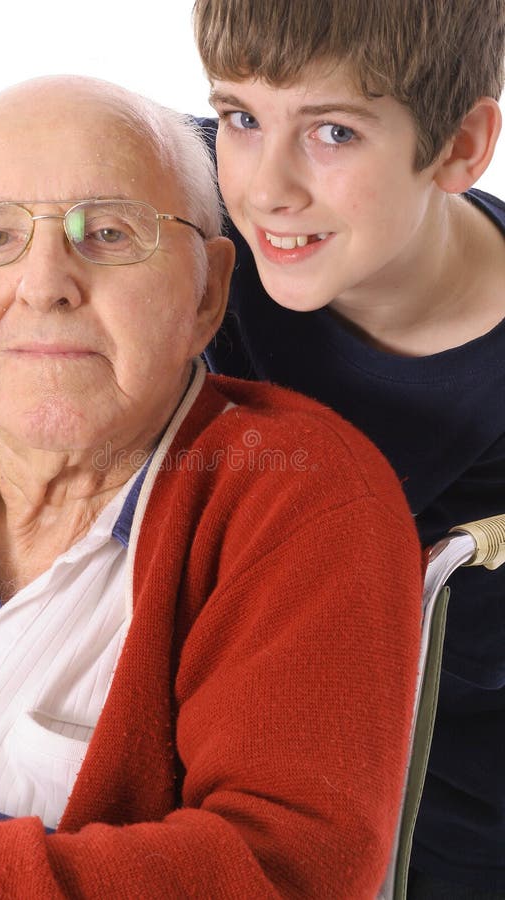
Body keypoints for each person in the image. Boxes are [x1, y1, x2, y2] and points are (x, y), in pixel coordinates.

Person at [0, 74, 420, 897]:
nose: (44, 285)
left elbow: (282, 870)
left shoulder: (298, 496)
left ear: (209, 291)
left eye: (108, 234)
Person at [191, 0, 505, 896]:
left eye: (333, 130)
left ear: (460, 147)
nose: (266, 189)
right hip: (187, 746)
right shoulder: (183, 195)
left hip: (441, 824)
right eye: (242, 118)